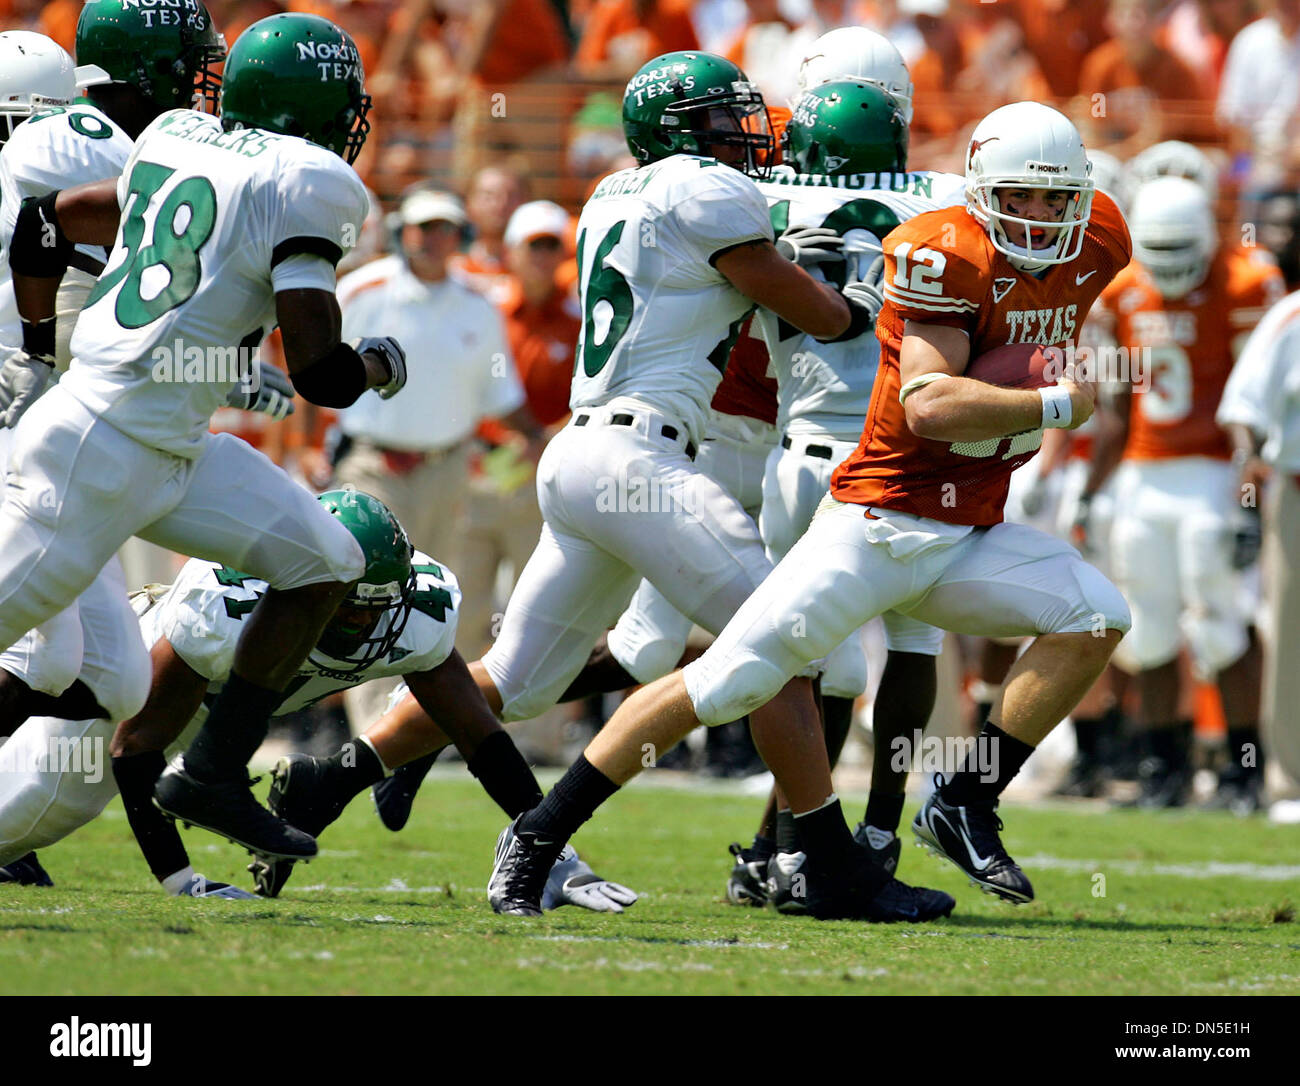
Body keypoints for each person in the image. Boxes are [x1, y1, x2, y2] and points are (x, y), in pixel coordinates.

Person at [487, 100, 1134, 916]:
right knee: (725, 682)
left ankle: (965, 798)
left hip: (966, 532)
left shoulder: (1101, 237)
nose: (1039, 218)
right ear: (978, 192)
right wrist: (1050, 404)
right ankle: (538, 834)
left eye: (1055, 199)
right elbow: (931, 403)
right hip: (878, 525)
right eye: (1018, 197)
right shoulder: (943, 252)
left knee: (1095, 613)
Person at [1, 12, 407, 863]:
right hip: (100, 445)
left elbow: (42, 224)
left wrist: (38, 349)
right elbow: (319, 372)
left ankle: (214, 773)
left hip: (166, 444)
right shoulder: (312, 180)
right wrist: (378, 364)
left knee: (325, 562)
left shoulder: (175, 139)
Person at [0, 489, 635, 910]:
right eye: (347, 605)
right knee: (41, 802)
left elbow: (479, 735)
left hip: (211, 717)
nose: (365, 624)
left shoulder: (416, 610)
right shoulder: (226, 609)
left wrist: (548, 847)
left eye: (375, 606)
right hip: (140, 696)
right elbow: (135, 746)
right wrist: (183, 881)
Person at [1080, 176, 1283, 811]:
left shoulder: (1247, 282)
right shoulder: (1123, 292)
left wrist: (1252, 487)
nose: (1168, 267)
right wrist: (1091, 495)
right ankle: (1161, 769)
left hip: (1213, 474)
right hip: (1143, 475)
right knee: (1149, 630)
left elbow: (1262, 402)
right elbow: (1113, 409)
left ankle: (1243, 770)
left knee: (1222, 626)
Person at [1217, 190, 1300, 809]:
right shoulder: (1289, 316)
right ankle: (1289, 775)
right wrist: (1248, 497)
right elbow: (1244, 411)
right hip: (1295, 494)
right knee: (1290, 636)